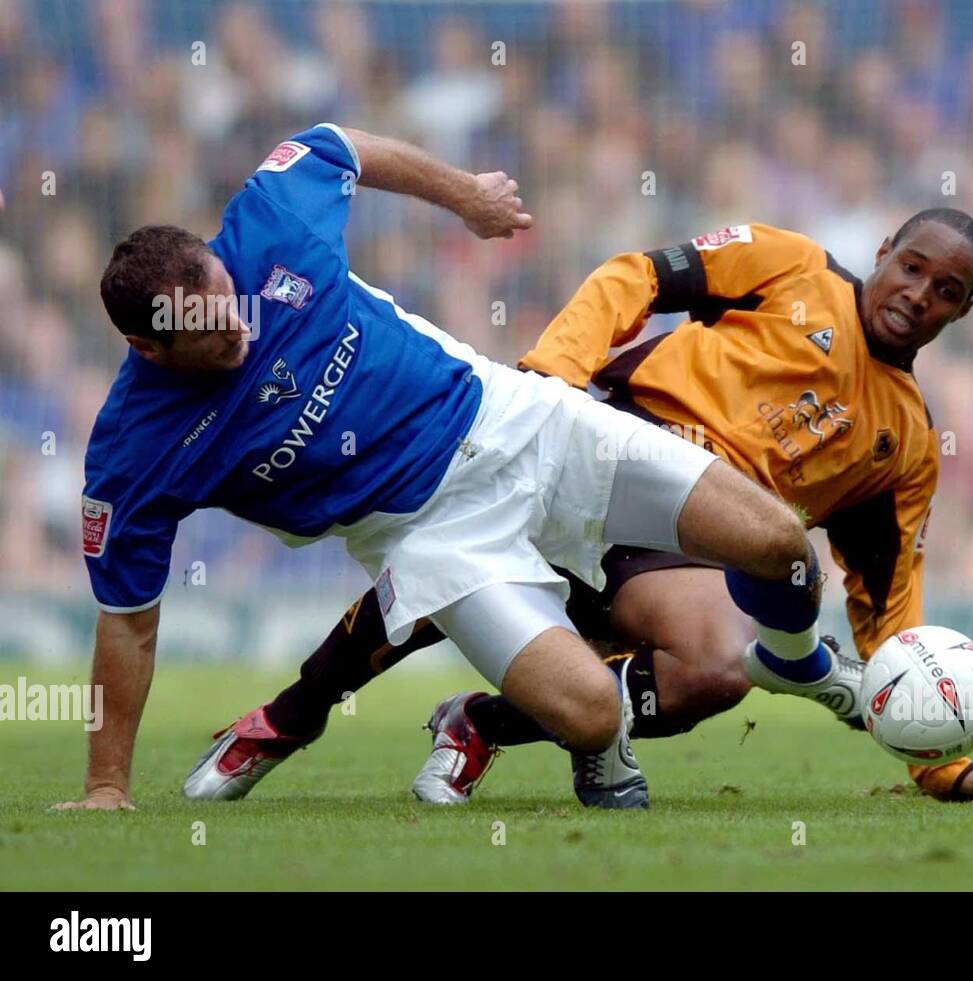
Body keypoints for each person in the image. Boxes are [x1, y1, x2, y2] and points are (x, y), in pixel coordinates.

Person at [53, 124, 829, 812]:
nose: (239, 337)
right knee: (592, 710)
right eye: (211, 340)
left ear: (216, 262)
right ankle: (577, 740)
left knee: (779, 543)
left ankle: (811, 671)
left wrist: (468, 197)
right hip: (435, 538)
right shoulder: (134, 451)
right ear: (148, 347)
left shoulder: (270, 222)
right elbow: (128, 622)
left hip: (517, 419)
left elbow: (341, 145)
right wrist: (106, 787)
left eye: (232, 305)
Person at [191, 212, 973, 807]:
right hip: (612, 439)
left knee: (720, 664)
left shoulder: (908, 443)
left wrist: (938, 765)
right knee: (469, 542)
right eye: (912, 266)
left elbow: (885, 601)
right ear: (883, 250)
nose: (919, 293)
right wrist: (552, 374)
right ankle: (288, 718)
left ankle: (486, 723)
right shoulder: (792, 266)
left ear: (964, 310)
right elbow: (641, 274)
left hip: (685, 549)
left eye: (945, 289)